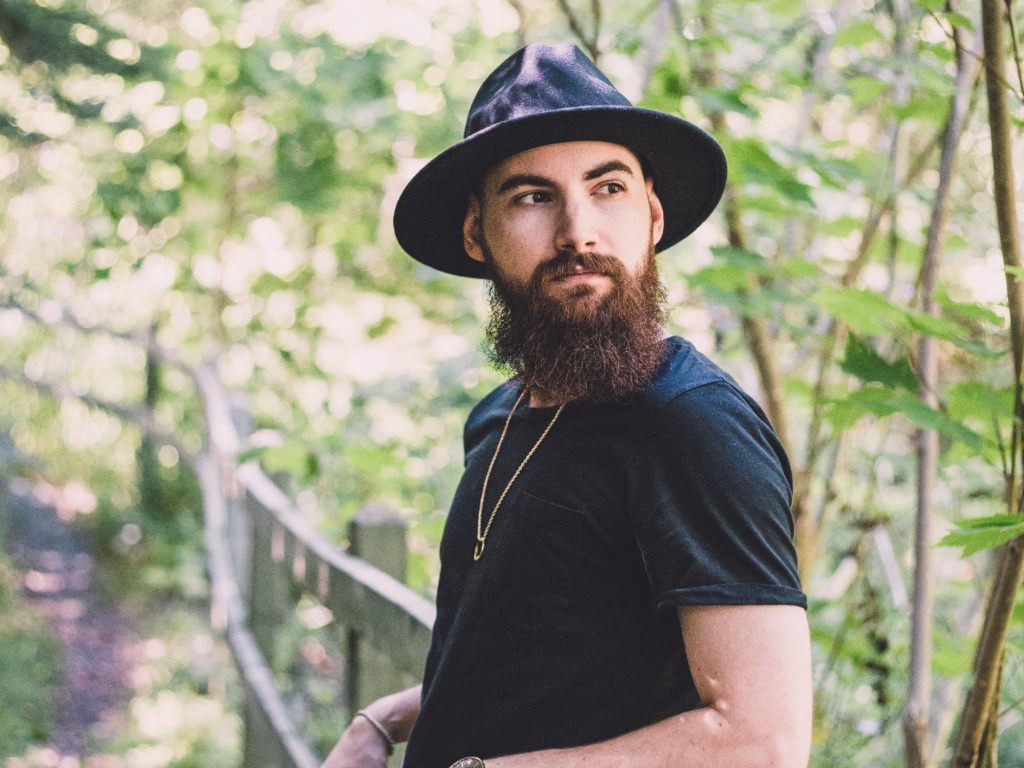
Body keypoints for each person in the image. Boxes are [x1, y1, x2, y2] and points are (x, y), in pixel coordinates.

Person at [322, 42, 812, 768]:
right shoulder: (500, 419)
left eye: (606, 188)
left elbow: (763, 739)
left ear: (651, 215)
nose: (577, 231)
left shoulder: (692, 425)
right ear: (475, 233)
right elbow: (535, 663)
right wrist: (383, 721)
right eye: (532, 197)